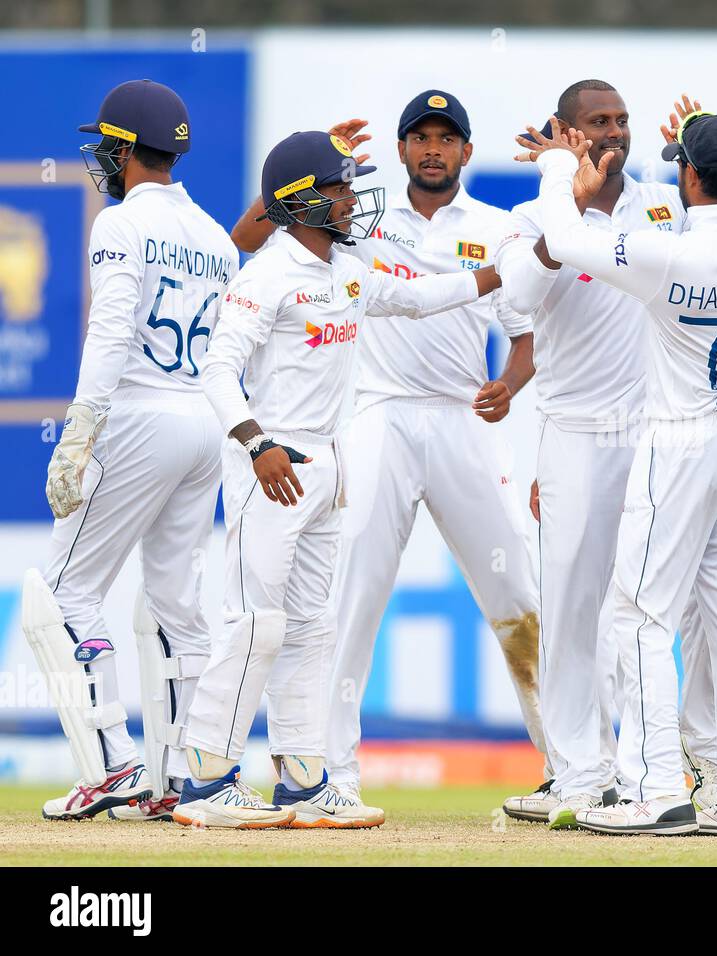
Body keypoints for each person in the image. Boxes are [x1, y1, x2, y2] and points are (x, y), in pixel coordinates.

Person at [173, 130, 499, 829]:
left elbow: (417, 298)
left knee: (313, 627)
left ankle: (303, 779)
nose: (353, 199)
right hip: (272, 466)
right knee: (255, 623)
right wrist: (255, 440)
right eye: (339, 187)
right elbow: (218, 370)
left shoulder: (348, 269)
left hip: (328, 465)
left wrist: (499, 275)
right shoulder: (266, 273)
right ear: (298, 201)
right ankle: (205, 780)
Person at [229, 91, 546, 804]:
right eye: (420, 137)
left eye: (447, 138)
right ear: (401, 150)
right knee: (351, 600)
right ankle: (328, 773)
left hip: (462, 415)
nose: (433, 148)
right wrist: (296, 178)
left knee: (517, 593)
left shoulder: (495, 229)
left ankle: (570, 770)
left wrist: (510, 384)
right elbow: (252, 238)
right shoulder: (350, 219)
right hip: (376, 415)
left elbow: (524, 336)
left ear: (466, 151)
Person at [514, 102, 717, 836]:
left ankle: (655, 789)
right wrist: (712, 135)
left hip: (682, 442)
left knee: (638, 614)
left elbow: (571, 235)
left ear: (691, 176)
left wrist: (557, 164)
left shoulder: (665, 252)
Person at [497, 82, 717, 827]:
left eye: (622, 121)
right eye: (598, 123)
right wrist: (573, 204)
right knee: (570, 609)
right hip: (576, 435)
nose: (614, 133)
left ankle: (646, 770)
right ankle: (575, 773)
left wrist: (700, 138)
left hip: (654, 430)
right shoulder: (535, 216)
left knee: (646, 609)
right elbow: (520, 294)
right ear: (564, 132)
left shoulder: (661, 199)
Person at [23, 79, 236, 822]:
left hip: (140, 415)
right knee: (176, 602)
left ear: (122, 150)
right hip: (203, 423)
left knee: (61, 594)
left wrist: (81, 429)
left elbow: (112, 330)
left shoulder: (120, 222)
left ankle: (116, 765)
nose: (99, 160)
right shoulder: (212, 235)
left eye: (104, 147)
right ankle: (182, 775)